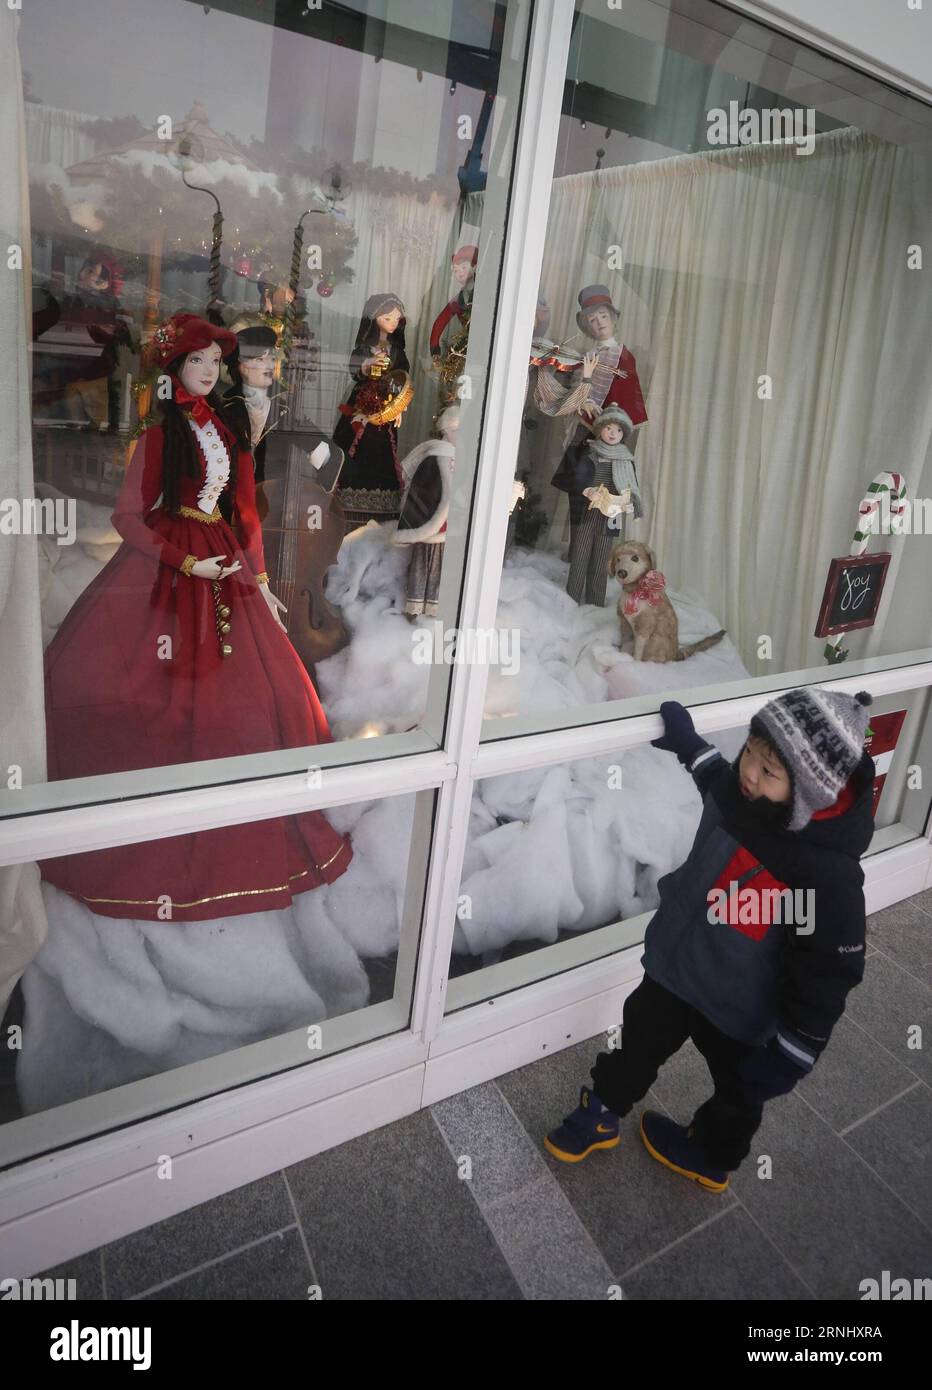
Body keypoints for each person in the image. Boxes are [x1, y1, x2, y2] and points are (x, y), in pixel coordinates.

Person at [41, 312, 352, 922]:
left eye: (216, 361)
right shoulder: (161, 434)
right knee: (153, 692)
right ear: (175, 368)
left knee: (269, 692)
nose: (210, 371)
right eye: (197, 361)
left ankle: (249, 820)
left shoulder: (228, 427)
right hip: (174, 566)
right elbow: (128, 518)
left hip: (226, 561)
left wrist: (258, 579)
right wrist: (186, 562)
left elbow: (245, 513)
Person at [545, 687, 876, 1190]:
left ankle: (711, 1154)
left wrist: (796, 1049)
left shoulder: (820, 872)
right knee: (637, 1042)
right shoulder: (739, 796)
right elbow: (713, 776)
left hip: (740, 1007)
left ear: (807, 791)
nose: (749, 773)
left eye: (769, 772)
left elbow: (828, 969)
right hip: (678, 972)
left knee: (739, 1092)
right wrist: (686, 742)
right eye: (750, 753)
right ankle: (603, 1111)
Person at [536, 284, 647, 550]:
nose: (598, 324)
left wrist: (606, 418)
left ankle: (594, 557)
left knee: (602, 501)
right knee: (578, 493)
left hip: (603, 439)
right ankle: (577, 552)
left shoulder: (623, 357)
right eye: (592, 319)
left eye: (603, 317)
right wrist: (581, 397)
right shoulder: (590, 355)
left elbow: (628, 404)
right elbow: (578, 390)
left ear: (614, 318)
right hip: (581, 433)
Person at [334, 292, 409, 530]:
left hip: (386, 408)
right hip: (362, 404)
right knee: (357, 445)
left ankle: (382, 510)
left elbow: (403, 380)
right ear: (373, 317)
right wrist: (368, 366)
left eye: (397, 318)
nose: (393, 322)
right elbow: (354, 370)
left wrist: (399, 406)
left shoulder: (397, 352)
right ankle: (348, 504)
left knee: (382, 450)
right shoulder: (364, 348)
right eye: (388, 317)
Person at [566, 403, 639, 606]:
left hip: (612, 513)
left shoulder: (626, 459)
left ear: (623, 433)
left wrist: (629, 498)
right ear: (600, 429)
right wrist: (588, 490)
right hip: (590, 509)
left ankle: (595, 600)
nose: (613, 433)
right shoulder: (591, 453)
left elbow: (631, 484)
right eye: (608, 428)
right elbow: (578, 477)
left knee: (601, 559)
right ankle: (571, 597)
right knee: (580, 554)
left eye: (618, 430)